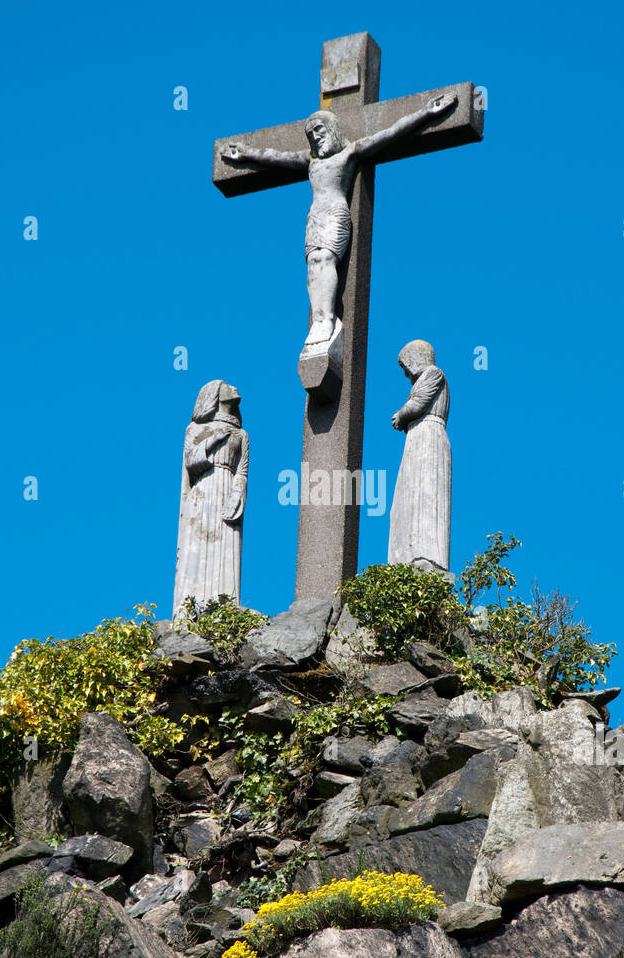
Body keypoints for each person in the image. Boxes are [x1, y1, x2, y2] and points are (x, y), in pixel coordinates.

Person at [222, 94, 457, 350]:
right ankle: (319, 318)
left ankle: (328, 320)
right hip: (315, 217)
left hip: (335, 212)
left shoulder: (349, 153)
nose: (315, 137)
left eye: (319, 130)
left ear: (332, 130)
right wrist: (247, 154)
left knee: (325, 258)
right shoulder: (310, 160)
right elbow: (275, 156)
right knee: (313, 264)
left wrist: (425, 112)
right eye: (310, 134)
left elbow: (390, 133)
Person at [172, 380, 248, 616]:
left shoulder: (241, 434)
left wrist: (237, 493)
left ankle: (222, 610)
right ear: (214, 394)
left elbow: (242, 470)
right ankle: (190, 608)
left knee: (225, 545)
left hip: (226, 490)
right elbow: (190, 463)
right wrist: (213, 440)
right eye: (227, 385)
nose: (234, 388)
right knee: (197, 546)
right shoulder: (195, 429)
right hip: (202, 492)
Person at [388, 340, 451, 572]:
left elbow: (418, 403)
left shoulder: (434, 373)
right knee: (406, 500)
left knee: (425, 496)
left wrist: (401, 414)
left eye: (405, 367)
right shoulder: (429, 376)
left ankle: (425, 555)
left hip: (428, 439)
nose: (406, 375)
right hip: (417, 439)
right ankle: (406, 555)